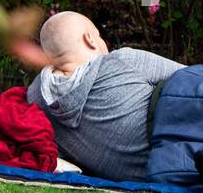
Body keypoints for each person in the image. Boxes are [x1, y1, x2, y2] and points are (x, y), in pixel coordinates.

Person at [25, 12, 183, 181]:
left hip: (152, 175)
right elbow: (198, 79)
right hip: (188, 154)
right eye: (99, 36)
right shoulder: (122, 61)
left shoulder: (37, 98)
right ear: (89, 39)